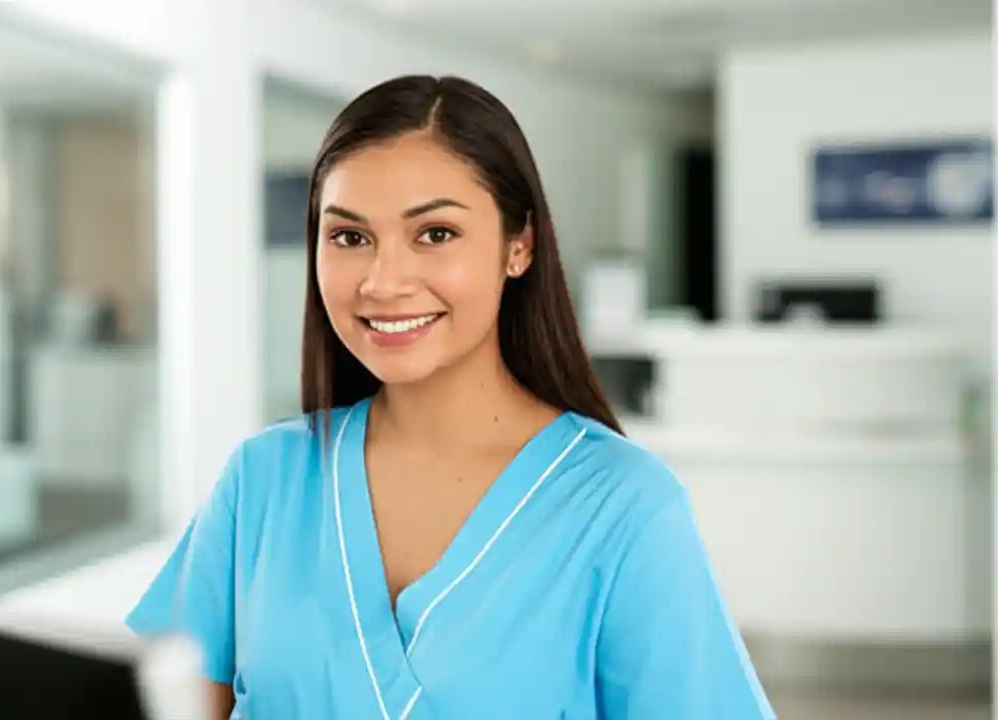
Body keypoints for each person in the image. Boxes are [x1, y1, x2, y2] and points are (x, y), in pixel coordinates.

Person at [127, 75, 774, 720]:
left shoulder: (623, 508)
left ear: (519, 246)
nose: (383, 282)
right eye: (350, 237)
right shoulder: (262, 481)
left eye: (435, 234)